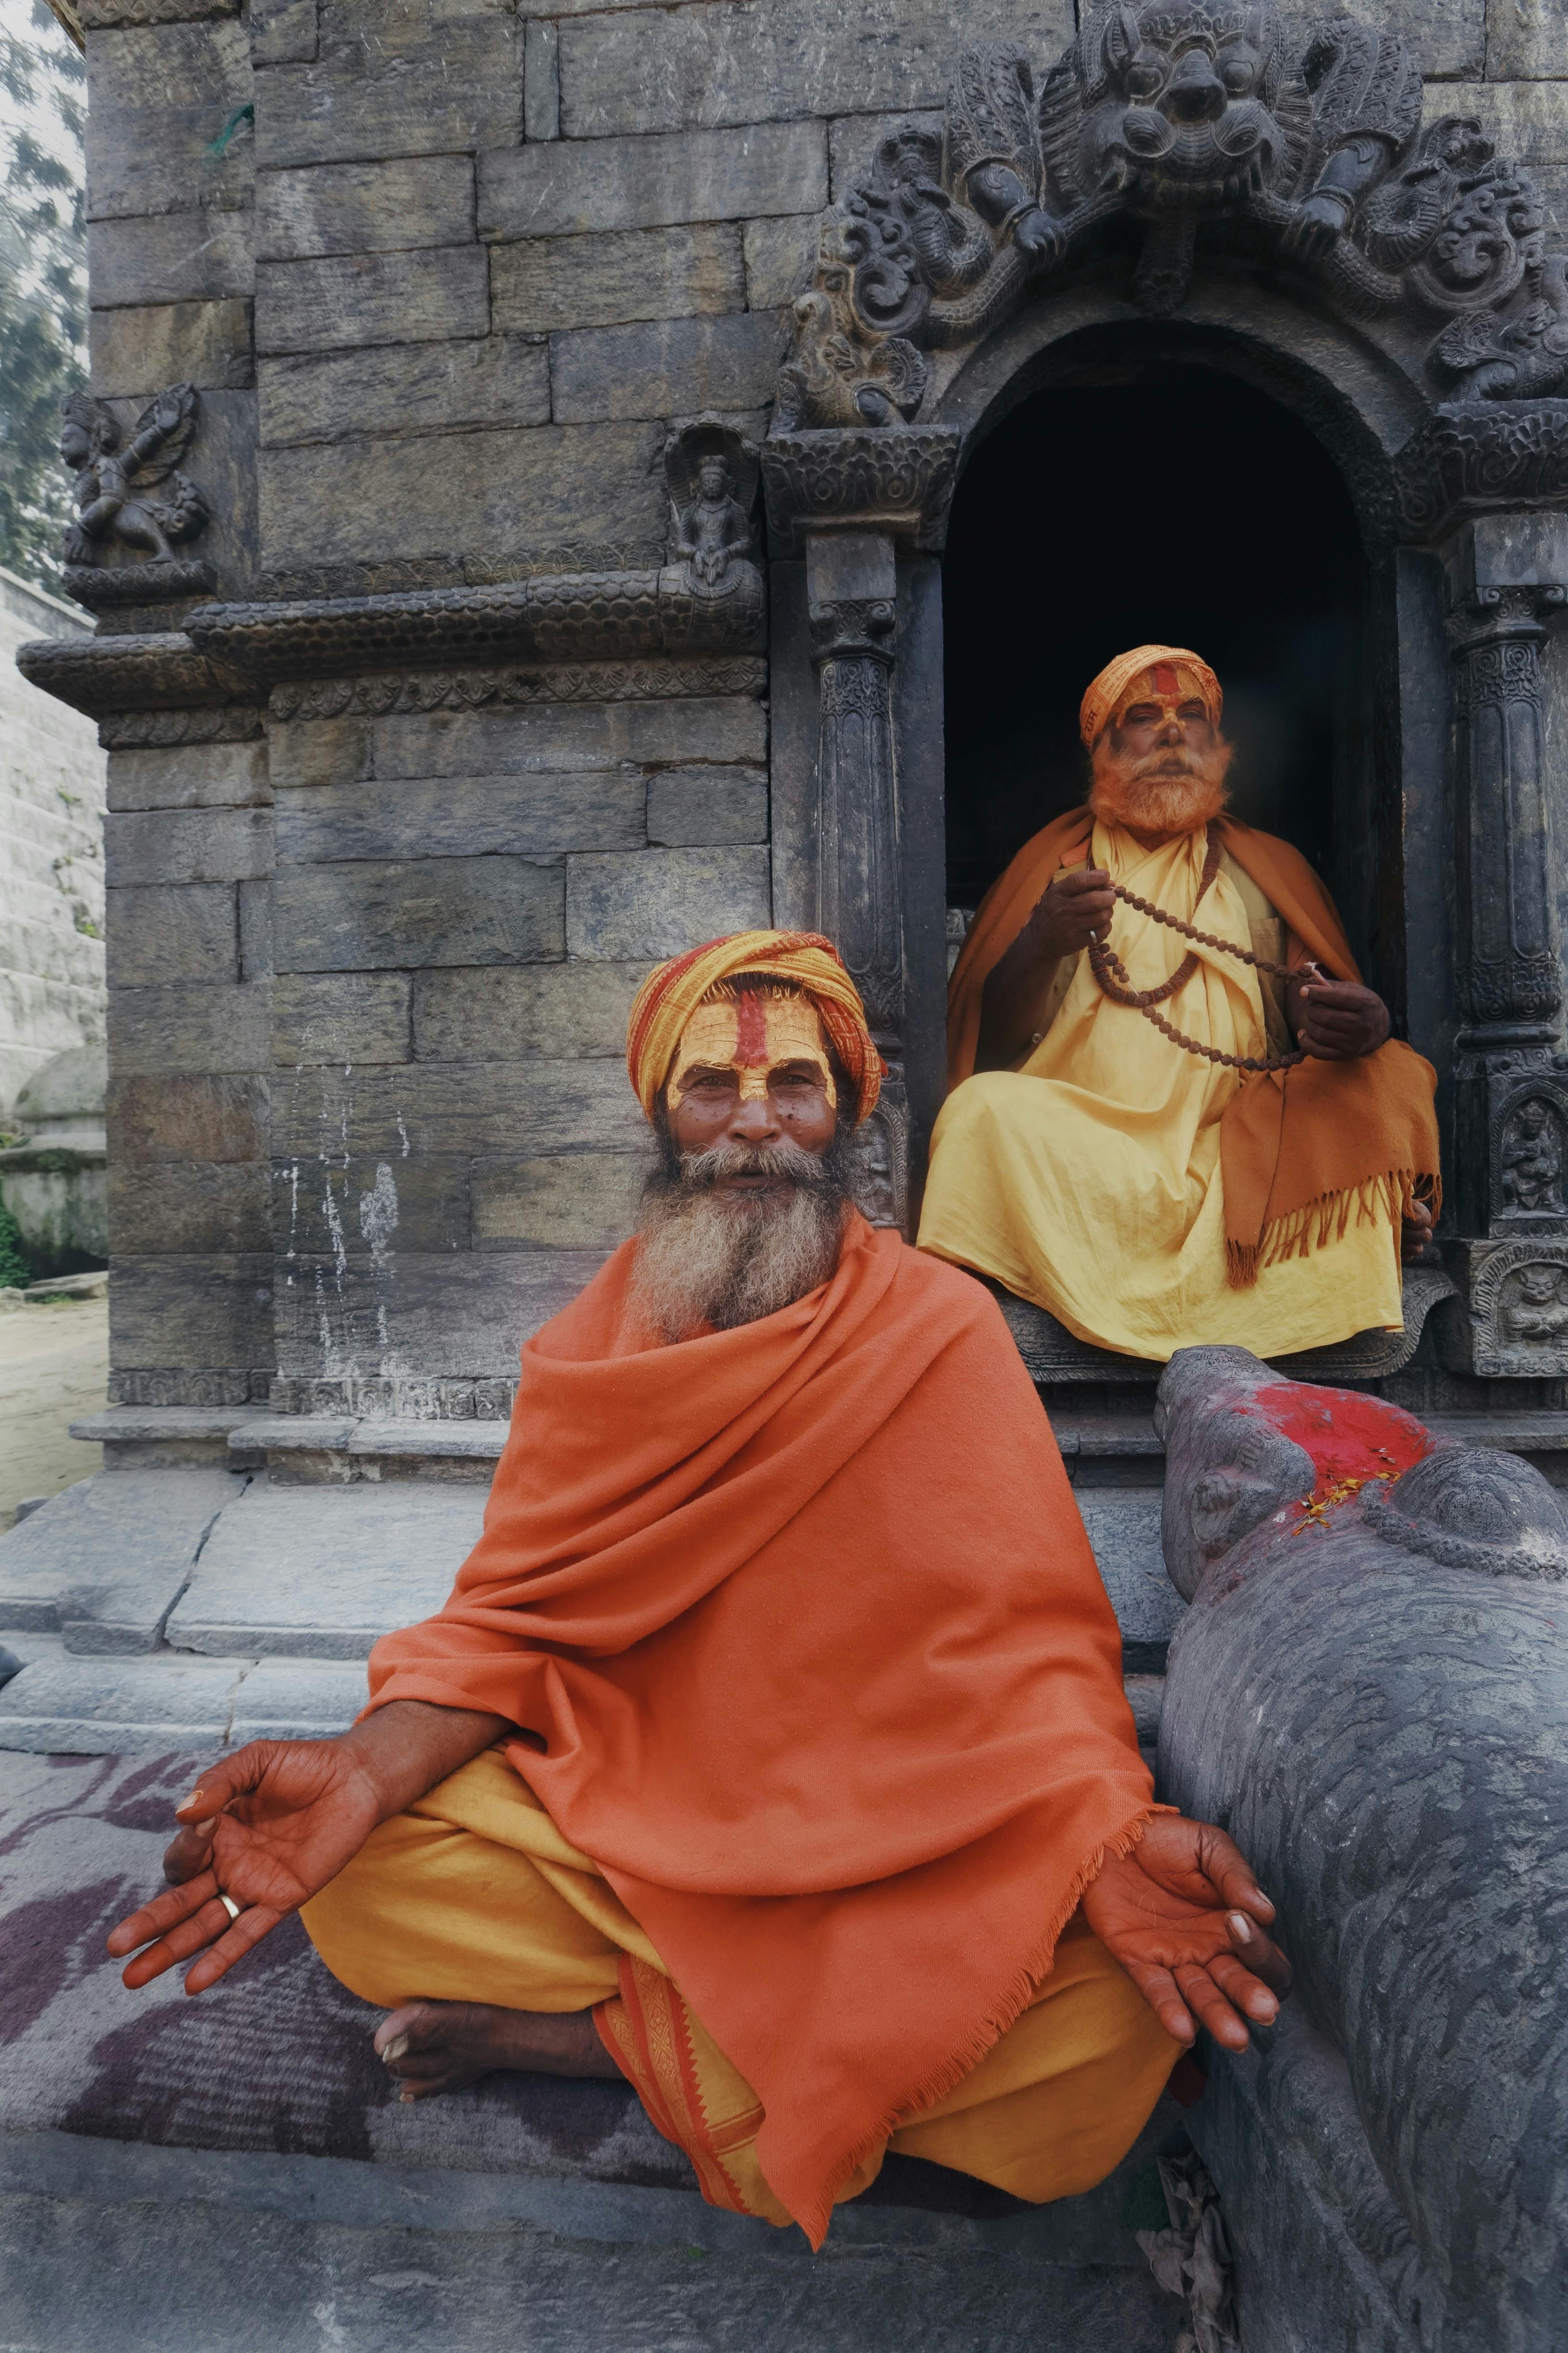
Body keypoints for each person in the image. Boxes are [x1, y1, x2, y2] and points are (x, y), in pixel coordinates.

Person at [106, 930, 1290, 2246]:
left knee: (1115, 2034)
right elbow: (513, 1629)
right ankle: (773, 2038)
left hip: (895, 1844)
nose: (753, 1128)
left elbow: (1035, 1652)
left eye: (794, 1086)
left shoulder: (937, 1327)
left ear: (843, 1112)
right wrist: (370, 1772)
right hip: (635, 1818)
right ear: (662, 1118)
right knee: (362, 1883)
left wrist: (1098, 1841)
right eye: (710, 1090)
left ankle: (587, 2042)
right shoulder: (587, 1352)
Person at [919, 646, 1442, 1360]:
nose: (1172, 733)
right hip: (1088, 1162)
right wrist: (1044, 937)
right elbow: (991, 1047)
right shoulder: (1056, 865)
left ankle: (1374, 1216)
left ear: (1218, 748)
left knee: (1383, 1079)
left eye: (1191, 716)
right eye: (1144, 718)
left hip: (1235, 1162)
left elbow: (1319, 1002)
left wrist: (1362, 1024)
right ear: (1103, 751)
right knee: (978, 1114)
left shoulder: (1268, 867)